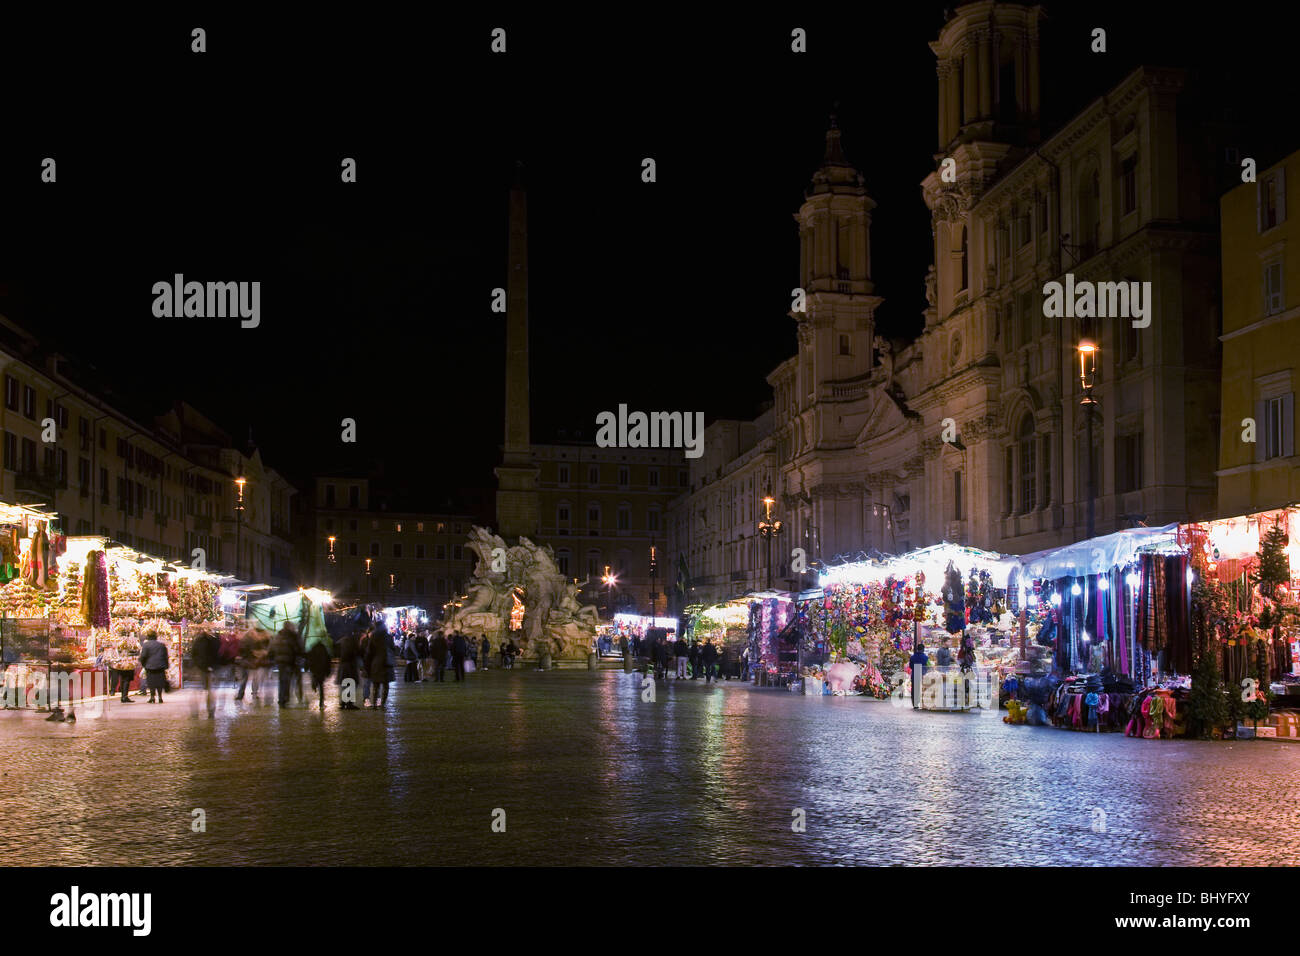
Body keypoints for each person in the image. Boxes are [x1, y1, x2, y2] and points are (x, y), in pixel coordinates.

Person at [272, 623, 304, 708]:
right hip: (290, 661)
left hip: (280, 661)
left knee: (282, 680)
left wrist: (272, 657)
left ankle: (282, 699)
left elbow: (272, 647)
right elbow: (299, 648)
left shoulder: (278, 636)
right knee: (289, 680)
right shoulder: (293, 636)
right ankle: (286, 698)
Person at [190, 629, 220, 716]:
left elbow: (193, 654)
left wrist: (196, 664)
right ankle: (210, 711)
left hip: (200, 668)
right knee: (209, 691)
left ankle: (195, 712)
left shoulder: (197, 641)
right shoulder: (213, 641)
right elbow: (216, 655)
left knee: (198, 690)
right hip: (208, 669)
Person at [367, 624, 395, 708]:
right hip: (387, 663)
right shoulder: (389, 637)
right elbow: (393, 649)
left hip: (376, 663)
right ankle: (382, 704)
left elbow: (369, 651)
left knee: (376, 685)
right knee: (386, 685)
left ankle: (375, 704)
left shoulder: (374, 637)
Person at [139, 630, 169, 704]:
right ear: (156, 636)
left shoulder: (146, 645)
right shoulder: (161, 645)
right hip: (160, 666)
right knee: (159, 682)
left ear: (148, 637)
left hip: (150, 666)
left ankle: (152, 697)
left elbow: (143, 656)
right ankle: (160, 697)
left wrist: (143, 664)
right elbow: (165, 656)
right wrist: (166, 665)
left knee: (151, 682)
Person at [109, 632, 141, 703]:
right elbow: (135, 650)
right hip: (127, 663)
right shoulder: (130, 642)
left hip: (120, 664)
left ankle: (123, 696)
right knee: (126, 679)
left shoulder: (117, 642)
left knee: (123, 679)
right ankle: (124, 696)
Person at [336, 629, 361, 709]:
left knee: (345, 684)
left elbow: (336, 652)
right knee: (351, 684)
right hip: (350, 666)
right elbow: (356, 652)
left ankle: (343, 703)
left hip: (343, 666)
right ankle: (349, 703)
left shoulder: (341, 642)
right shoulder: (352, 642)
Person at [306, 637, 332, 710]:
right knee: (321, 686)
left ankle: (314, 684)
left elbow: (309, 659)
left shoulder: (313, 648)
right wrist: (328, 671)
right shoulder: (324, 649)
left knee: (316, 680)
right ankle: (321, 702)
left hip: (315, 670)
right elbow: (328, 661)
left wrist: (309, 667)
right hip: (321, 670)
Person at [909, 643, 929, 710]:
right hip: (923, 675)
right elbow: (928, 666)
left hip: (915, 674)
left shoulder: (912, 657)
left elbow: (910, 666)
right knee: (923, 689)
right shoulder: (926, 657)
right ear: (923, 649)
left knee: (915, 690)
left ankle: (915, 704)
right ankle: (923, 704)